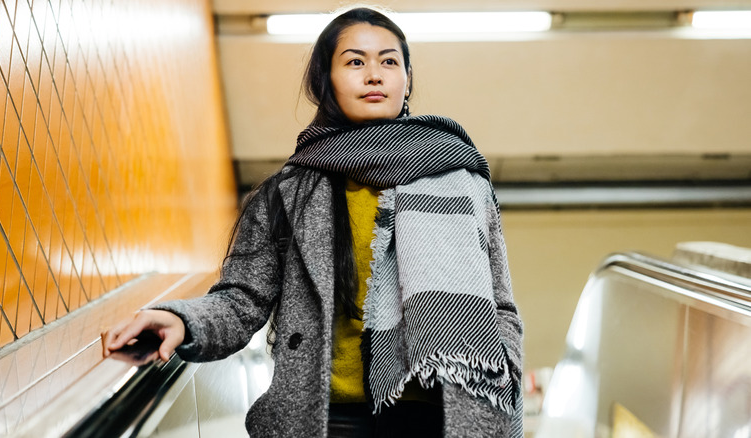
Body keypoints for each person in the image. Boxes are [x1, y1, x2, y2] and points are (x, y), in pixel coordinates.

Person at [103, 7, 523, 437]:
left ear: (407, 79)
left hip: (441, 415)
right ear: (325, 80)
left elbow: (501, 307)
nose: (374, 74)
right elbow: (241, 300)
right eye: (355, 61)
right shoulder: (289, 191)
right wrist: (181, 320)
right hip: (328, 419)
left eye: (389, 61)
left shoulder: (460, 178)